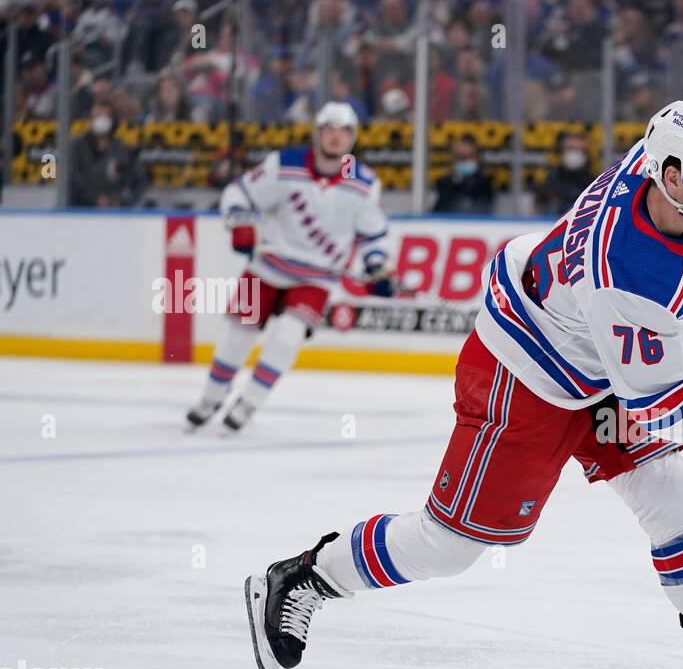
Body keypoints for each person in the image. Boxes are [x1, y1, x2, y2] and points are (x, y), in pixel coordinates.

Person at [241, 97, 683, 669]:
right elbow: (670, 405)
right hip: (527, 372)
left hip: (603, 364)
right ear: (673, 178)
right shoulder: (630, 273)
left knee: (669, 490)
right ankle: (306, 578)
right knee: (449, 545)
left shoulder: (663, 169)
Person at [184, 103, 393, 432]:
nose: (336, 137)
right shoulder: (284, 164)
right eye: (330, 129)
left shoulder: (363, 182)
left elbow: (374, 235)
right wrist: (240, 221)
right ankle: (210, 398)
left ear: (352, 138)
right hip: (266, 265)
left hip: (316, 277)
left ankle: (248, 403)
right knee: (238, 335)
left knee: (287, 337)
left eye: (344, 131)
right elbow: (238, 193)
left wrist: (377, 265)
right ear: (318, 132)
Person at [69, 102, 145, 208]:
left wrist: (122, 201)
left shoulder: (122, 148)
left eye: (105, 116)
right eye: (97, 116)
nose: (101, 120)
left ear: (111, 120)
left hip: (114, 211)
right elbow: (72, 178)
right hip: (81, 209)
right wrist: (95, 198)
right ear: (90, 119)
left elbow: (137, 179)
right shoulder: (77, 147)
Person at [432, 135, 494, 214]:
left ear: (476, 158)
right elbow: (439, 210)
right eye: (461, 157)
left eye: (467, 157)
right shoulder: (443, 182)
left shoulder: (484, 183)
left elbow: (484, 207)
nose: (464, 162)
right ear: (453, 159)